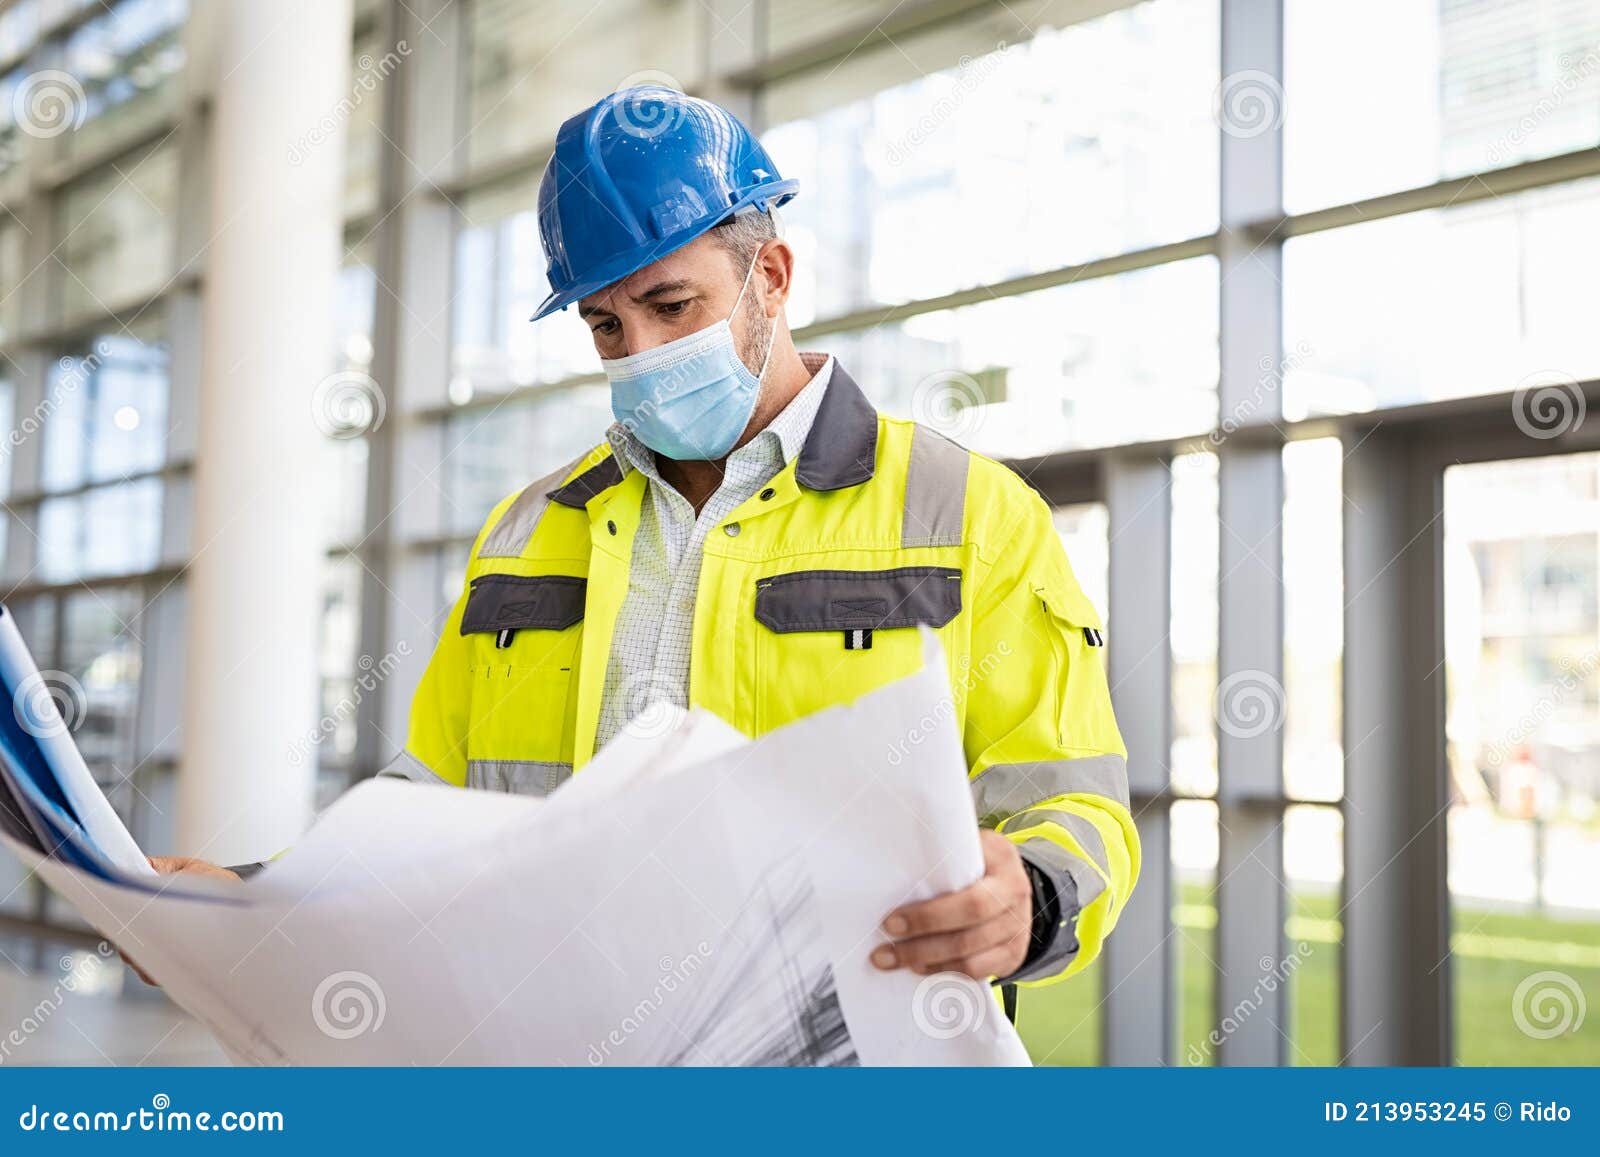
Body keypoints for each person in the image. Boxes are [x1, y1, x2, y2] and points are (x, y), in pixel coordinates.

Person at [149, 87, 1138, 1002]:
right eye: (606, 326)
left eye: (672, 306)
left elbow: (1075, 809)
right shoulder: (530, 531)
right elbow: (426, 815)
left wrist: (1034, 900)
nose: (642, 353)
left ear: (771, 275)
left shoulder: (967, 511)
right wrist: (255, 899)